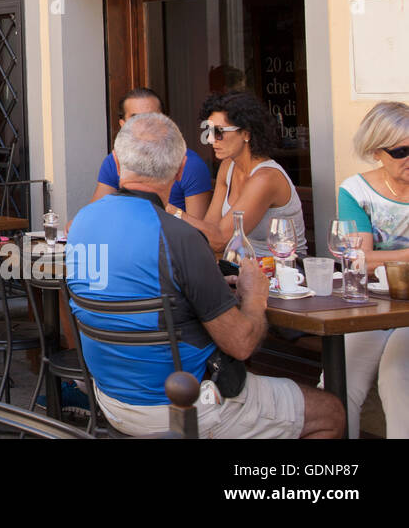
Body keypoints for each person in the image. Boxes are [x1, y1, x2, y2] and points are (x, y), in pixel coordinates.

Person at [67, 114, 343, 438]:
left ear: (114, 162)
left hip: (110, 398)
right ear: (182, 168)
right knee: (330, 413)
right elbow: (241, 344)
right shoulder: (178, 236)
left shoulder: (81, 224)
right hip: (183, 406)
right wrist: (254, 296)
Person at [335, 101, 409, 437]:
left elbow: (367, 256)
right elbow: (356, 257)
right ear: (377, 151)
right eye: (401, 151)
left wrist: (377, 257)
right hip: (373, 302)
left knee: (397, 374)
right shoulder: (356, 190)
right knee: (338, 379)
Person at [177, 92, 307, 257]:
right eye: (208, 130)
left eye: (218, 131)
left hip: (282, 271)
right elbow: (209, 231)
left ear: (246, 133)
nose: (210, 139)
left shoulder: (266, 178)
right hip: (241, 267)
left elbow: (221, 239)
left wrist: (170, 210)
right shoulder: (228, 166)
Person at [90, 87, 213, 218]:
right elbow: (93, 215)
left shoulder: (189, 163)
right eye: (135, 118)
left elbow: (200, 233)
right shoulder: (113, 161)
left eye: (152, 117)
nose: (145, 125)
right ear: (122, 124)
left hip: (172, 237)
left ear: (165, 121)